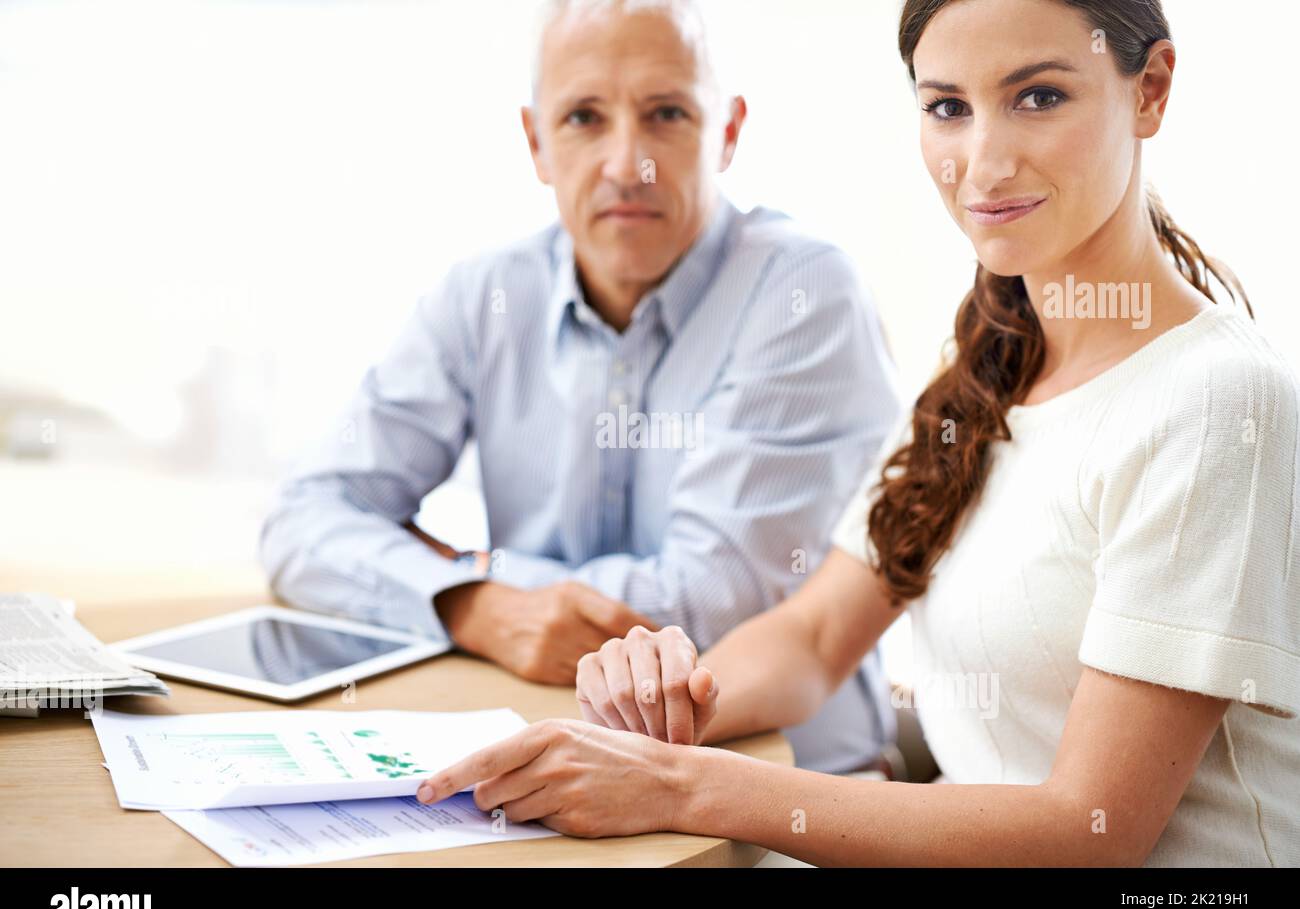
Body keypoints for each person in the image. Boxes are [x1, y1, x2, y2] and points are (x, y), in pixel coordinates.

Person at [415, 0, 1300, 867]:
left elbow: (1086, 831)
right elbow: (813, 639)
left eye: (1038, 96)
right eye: (948, 107)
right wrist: (664, 706)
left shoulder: (1216, 401)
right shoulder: (990, 364)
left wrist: (680, 781)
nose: (983, 162)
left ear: (1150, 90)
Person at [258, 0, 902, 775]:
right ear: (536, 141)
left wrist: (468, 566)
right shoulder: (484, 295)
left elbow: (703, 605)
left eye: (666, 113)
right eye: (584, 118)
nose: (627, 162)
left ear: (727, 132)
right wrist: (473, 604)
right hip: (565, 770)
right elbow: (300, 518)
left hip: (783, 804)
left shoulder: (803, 290)